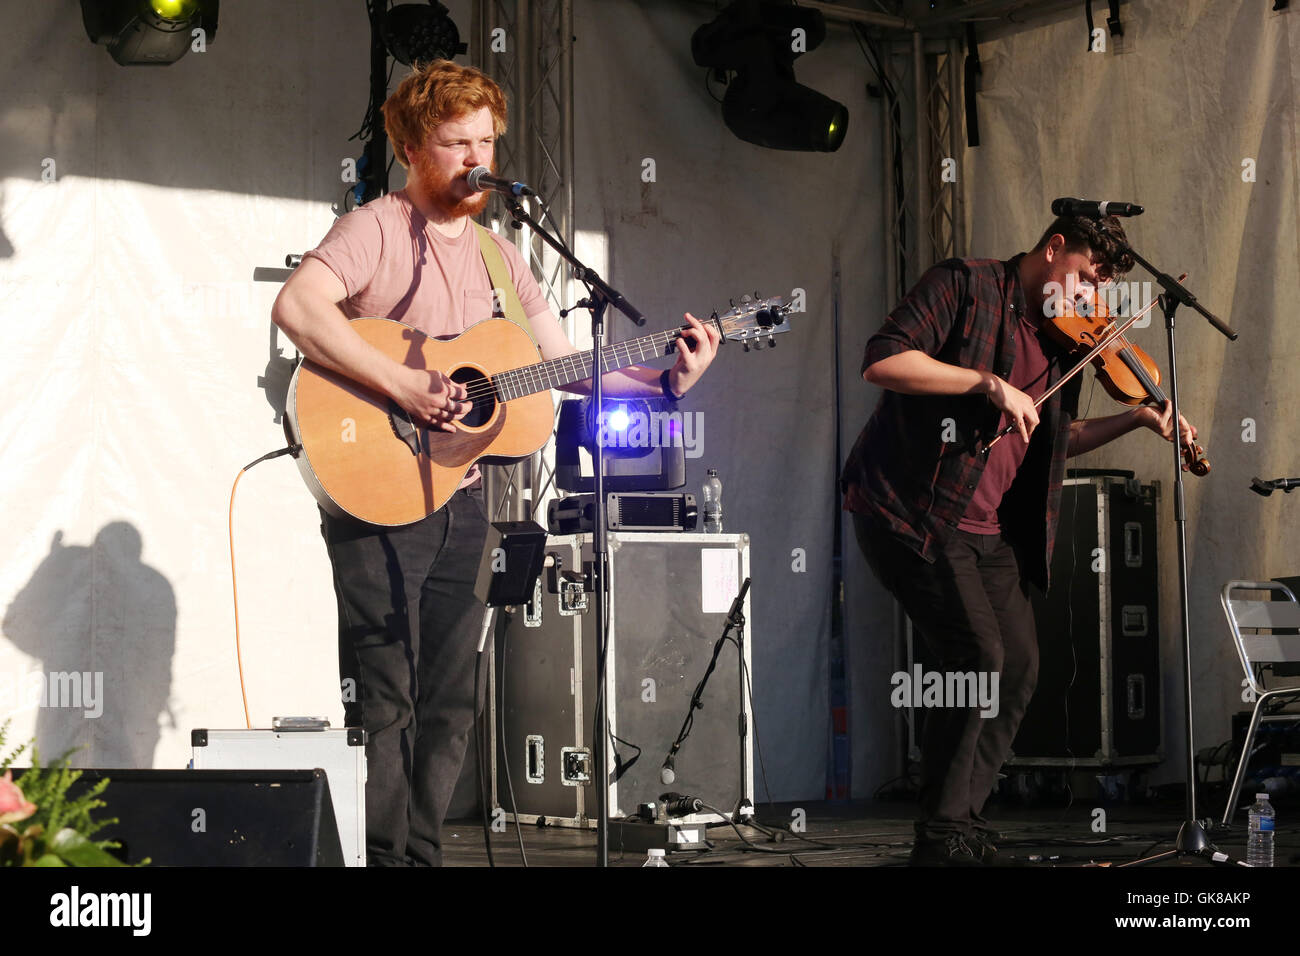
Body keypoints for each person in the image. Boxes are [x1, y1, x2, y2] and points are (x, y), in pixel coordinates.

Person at [271, 59, 720, 866]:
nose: (477, 158)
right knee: (385, 699)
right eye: (455, 142)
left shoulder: (503, 261)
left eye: (486, 140)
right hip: (377, 490)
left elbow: (564, 362)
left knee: (449, 702)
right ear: (410, 146)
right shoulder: (375, 227)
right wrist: (406, 382)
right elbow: (298, 306)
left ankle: (420, 856)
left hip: (465, 498)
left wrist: (664, 377)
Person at [840, 215, 1196, 866]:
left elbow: (1055, 439)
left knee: (1022, 664)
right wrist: (986, 383)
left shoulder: (1063, 340)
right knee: (977, 655)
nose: (1089, 300)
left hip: (988, 526)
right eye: (1086, 280)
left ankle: (964, 820)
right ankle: (941, 834)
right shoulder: (965, 286)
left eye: (1101, 292)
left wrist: (1140, 416)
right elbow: (883, 361)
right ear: (1054, 247)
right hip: (911, 508)